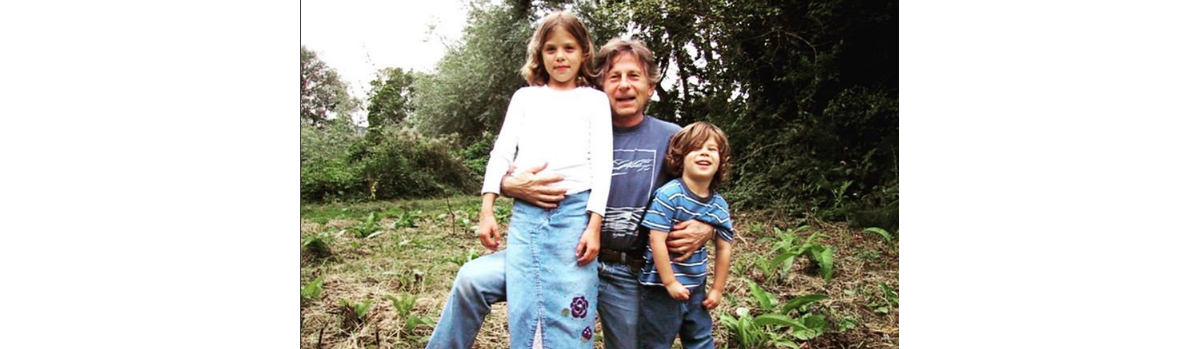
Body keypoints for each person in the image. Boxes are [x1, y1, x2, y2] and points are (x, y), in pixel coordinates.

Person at [426, 38, 723, 349]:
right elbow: (513, 161)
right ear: (599, 85)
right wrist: (508, 185)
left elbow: (704, 189)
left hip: (625, 270)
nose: (623, 85)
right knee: (472, 280)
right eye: (613, 77)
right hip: (556, 250)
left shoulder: (672, 138)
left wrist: (707, 226)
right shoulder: (571, 124)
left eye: (633, 76)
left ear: (650, 87)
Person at [475, 11, 610, 348]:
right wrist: (487, 209)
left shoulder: (594, 100)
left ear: (583, 52)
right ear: (540, 54)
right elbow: (501, 154)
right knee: (527, 303)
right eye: (551, 49)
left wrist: (594, 226)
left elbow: (603, 165)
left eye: (569, 48)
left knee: (572, 306)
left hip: (575, 216)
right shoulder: (525, 98)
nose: (560, 56)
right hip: (528, 218)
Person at [637, 122, 734, 349]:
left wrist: (717, 289)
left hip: (697, 287)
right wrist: (670, 282)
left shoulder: (719, 205)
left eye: (711, 149)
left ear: (721, 160)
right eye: (696, 148)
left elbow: (724, 247)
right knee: (655, 343)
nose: (704, 153)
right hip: (660, 289)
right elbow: (656, 239)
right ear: (680, 158)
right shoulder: (669, 195)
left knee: (701, 341)